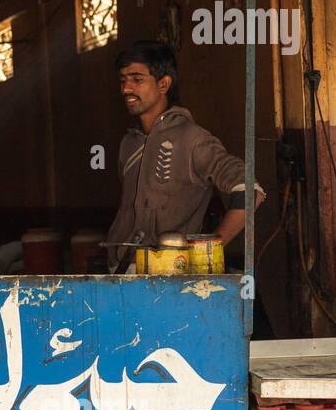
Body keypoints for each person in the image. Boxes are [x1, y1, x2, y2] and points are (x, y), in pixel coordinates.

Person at [106, 41, 264, 271]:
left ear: (163, 84)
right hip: (120, 272)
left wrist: (206, 251)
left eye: (137, 79)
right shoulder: (128, 143)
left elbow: (251, 192)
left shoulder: (193, 139)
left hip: (170, 278)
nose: (126, 89)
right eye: (123, 80)